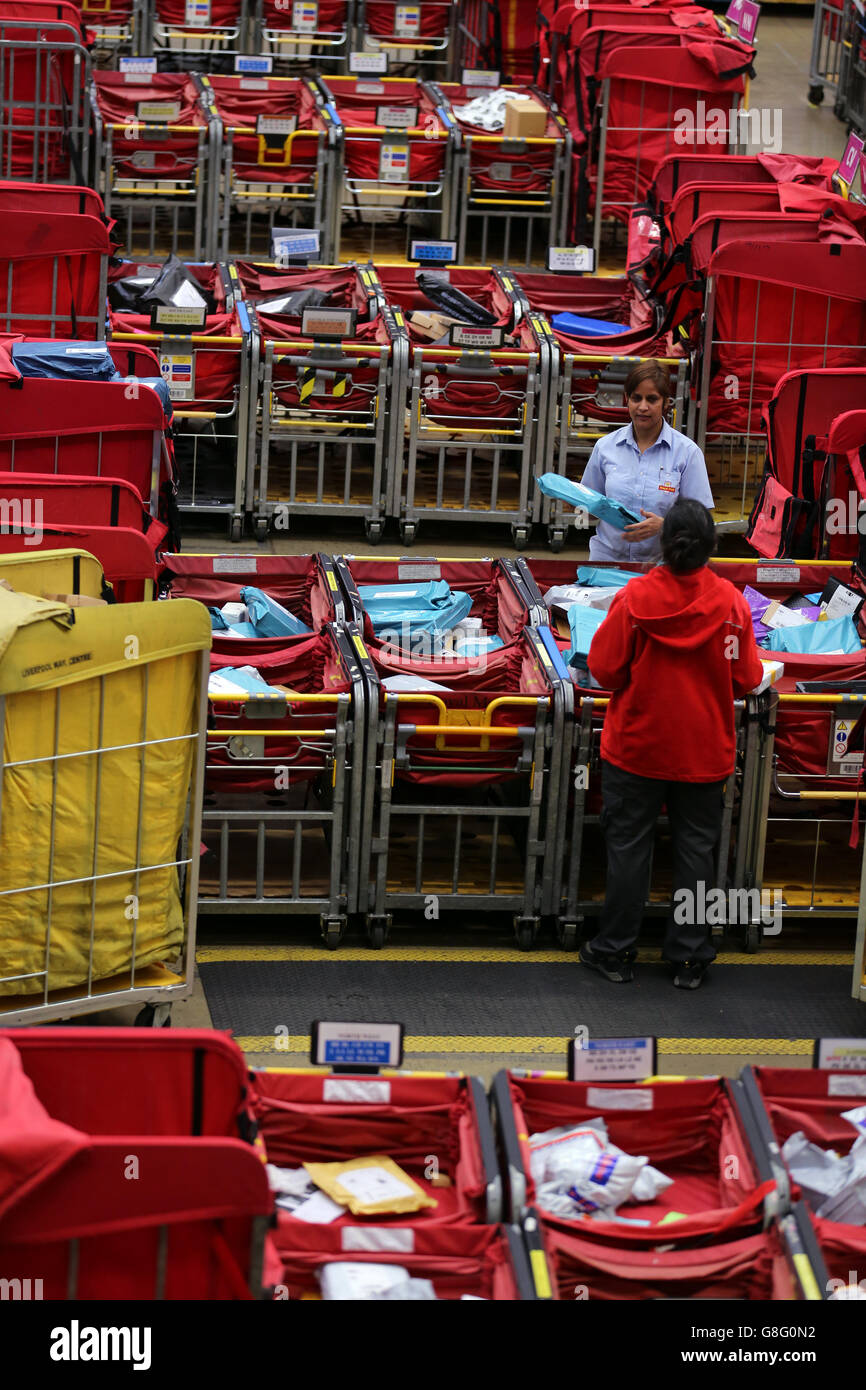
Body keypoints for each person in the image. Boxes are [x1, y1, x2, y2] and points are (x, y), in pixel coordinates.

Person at [580, 499, 764, 989]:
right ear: (711, 547)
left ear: (665, 543)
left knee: (628, 850)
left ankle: (616, 950)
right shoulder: (731, 605)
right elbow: (745, 677)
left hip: (638, 747)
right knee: (696, 854)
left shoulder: (635, 600)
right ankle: (688, 958)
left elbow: (605, 670)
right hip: (704, 752)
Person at [580, 360, 714, 562]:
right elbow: (587, 511)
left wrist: (665, 526)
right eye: (636, 398)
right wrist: (574, 502)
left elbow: (702, 525)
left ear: (666, 402)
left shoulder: (687, 454)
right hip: (606, 565)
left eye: (651, 399)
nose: (643, 407)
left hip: (661, 569)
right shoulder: (605, 448)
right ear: (627, 399)